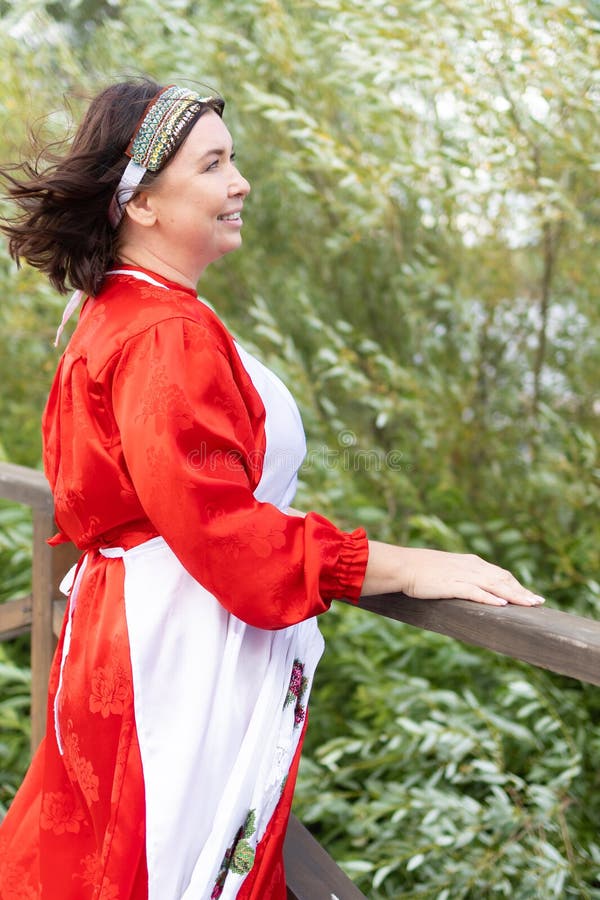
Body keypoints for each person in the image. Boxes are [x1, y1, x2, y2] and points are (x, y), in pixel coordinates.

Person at [0, 77, 545, 900]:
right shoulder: (162, 333)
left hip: (143, 633)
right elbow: (223, 533)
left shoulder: (126, 307)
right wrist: (398, 563)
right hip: (171, 656)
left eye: (233, 160)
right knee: (162, 870)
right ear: (141, 203)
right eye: (213, 165)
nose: (240, 182)